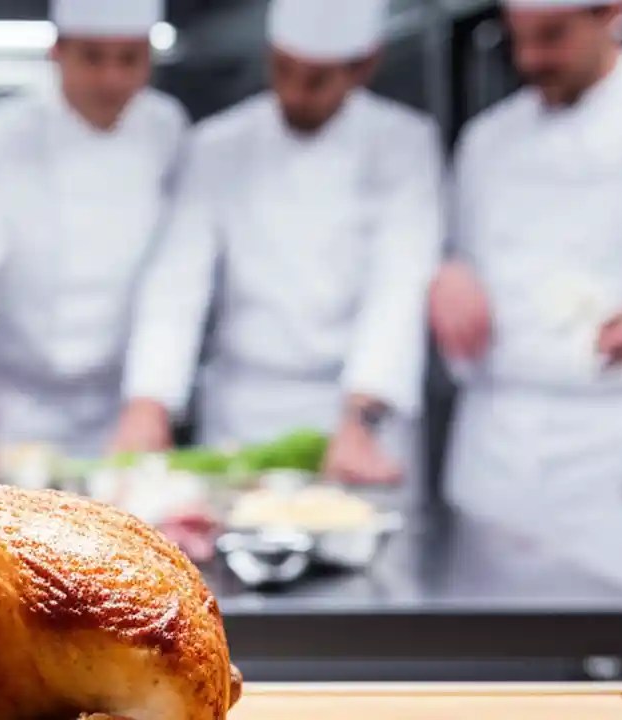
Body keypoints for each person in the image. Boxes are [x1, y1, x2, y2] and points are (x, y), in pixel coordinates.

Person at [432, 0, 622, 679]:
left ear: (612, 13)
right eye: (519, 40)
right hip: (499, 437)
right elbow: (465, 255)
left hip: (619, 444)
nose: (530, 61)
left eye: (551, 38)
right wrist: (451, 275)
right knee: (490, 668)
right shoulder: (487, 141)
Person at [113, 0, 443, 487]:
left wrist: (360, 418)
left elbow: (399, 283)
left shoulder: (403, 145)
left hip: (358, 417)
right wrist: (149, 401)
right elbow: (177, 283)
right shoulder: (220, 145)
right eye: (283, 70)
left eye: (317, 79)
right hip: (243, 410)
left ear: (364, 66)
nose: (295, 92)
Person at [0, 0, 188, 458]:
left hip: (113, 409)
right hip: (9, 409)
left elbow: (174, 282)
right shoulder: (0, 142)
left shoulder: (167, 132)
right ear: (58, 52)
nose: (111, 79)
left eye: (129, 59)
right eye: (93, 58)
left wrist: (150, 402)